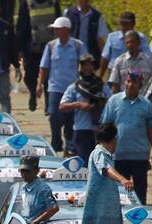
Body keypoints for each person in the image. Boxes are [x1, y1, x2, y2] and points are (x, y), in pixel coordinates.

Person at [82, 123, 133, 224]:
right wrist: (123, 179)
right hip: (102, 218)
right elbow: (105, 169)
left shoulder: (107, 155)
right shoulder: (99, 153)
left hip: (112, 220)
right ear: (114, 139)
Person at [100, 70, 152, 204]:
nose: (130, 85)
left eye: (134, 82)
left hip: (139, 156)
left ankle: (140, 219)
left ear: (140, 85)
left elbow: (151, 130)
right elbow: (105, 127)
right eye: (128, 81)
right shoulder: (114, 101)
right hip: (118, 155)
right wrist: (104, 151)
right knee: (118, 192)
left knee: (140, 193)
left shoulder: (146, 105)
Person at [38, 17, 88, 155]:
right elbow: (44, 67)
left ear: (66, 30)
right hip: (55, 88)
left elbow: (86, 65)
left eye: (57, 29)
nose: (55, 31)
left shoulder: (78, 45)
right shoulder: (51, 46)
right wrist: (39, 85)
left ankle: (70, 145)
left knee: (70, 118)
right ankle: (56, 141)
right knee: (54, 115)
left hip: (73, 88)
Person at [59, 53, 107, 160]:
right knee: (84, 165)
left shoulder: (102, 86)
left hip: (100, 130)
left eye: (90, 65)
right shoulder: (75, 87)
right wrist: (78, 105)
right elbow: (62, 106)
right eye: (85, 65)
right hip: (82, 129)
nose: (88, 68)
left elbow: (112, 103)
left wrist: (102, 104)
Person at [16, 155, 59, 224]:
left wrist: (37, 221)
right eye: (22, 171)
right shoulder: (21, 187)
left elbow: (54, 208)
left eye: (27, 171)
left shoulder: (43, 188)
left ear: (37, 170)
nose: (24, 174)